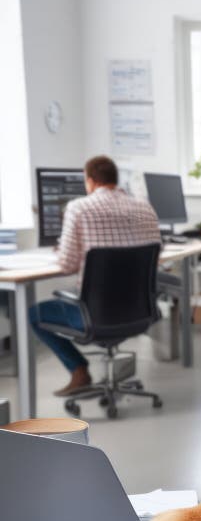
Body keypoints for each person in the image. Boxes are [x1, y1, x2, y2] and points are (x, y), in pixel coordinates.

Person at [29, 155, 162, 396]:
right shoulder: (145, 208)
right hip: (141, 312)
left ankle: (79, 370)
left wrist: (74, 250)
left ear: (90, 181)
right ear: (114, 179)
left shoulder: (78, 207)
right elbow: (156, 256)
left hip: (95, 315)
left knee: (34, 313)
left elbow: (68, 264)